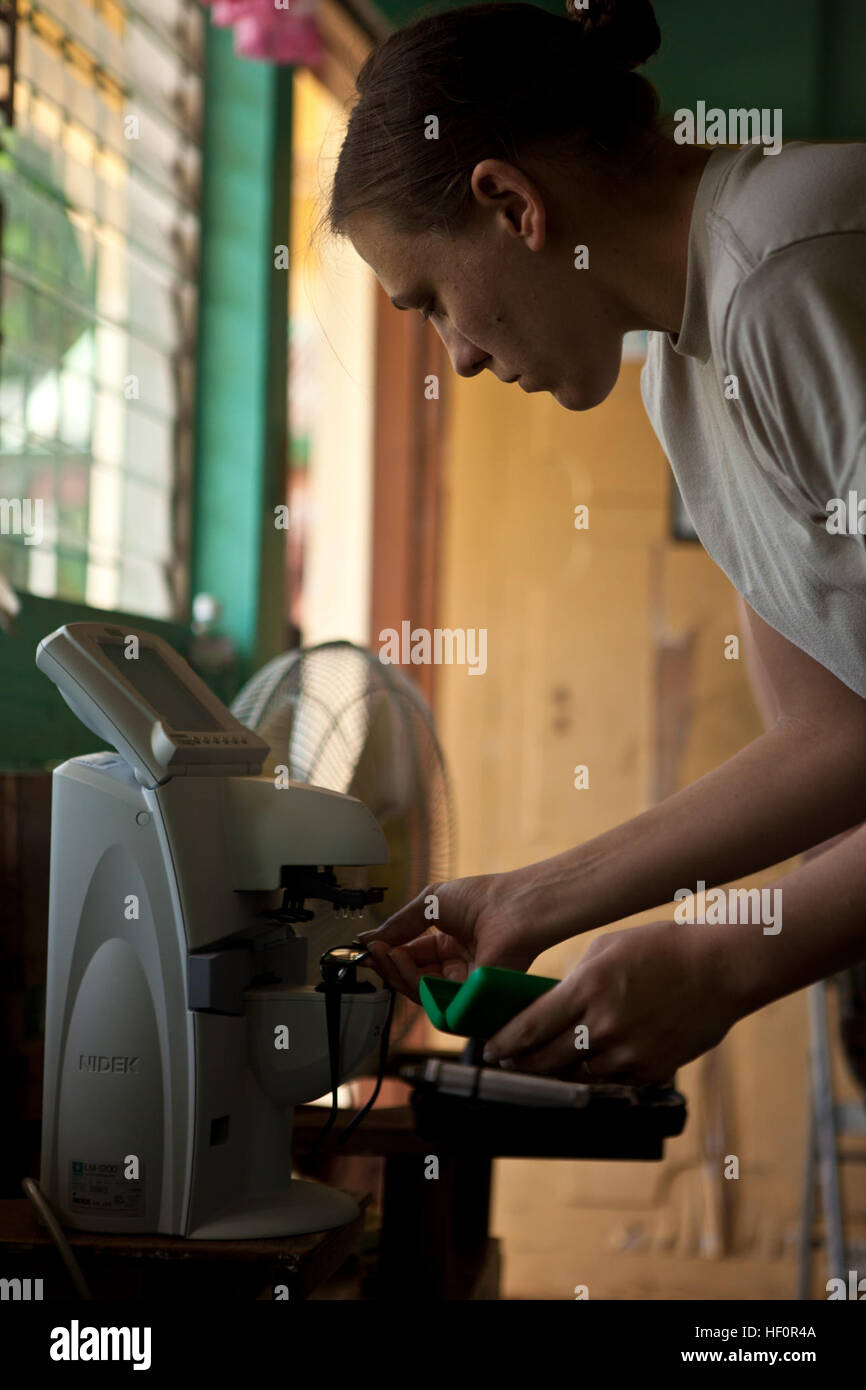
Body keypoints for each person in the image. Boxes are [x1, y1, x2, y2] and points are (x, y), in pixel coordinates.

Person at [323, 0, 866, 1084]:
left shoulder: (789, 271)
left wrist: (718, 963)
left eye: (430, 300)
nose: (460, 358)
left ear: (509, 202)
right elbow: (832, 738)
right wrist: (541, 896)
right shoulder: (678, 365)